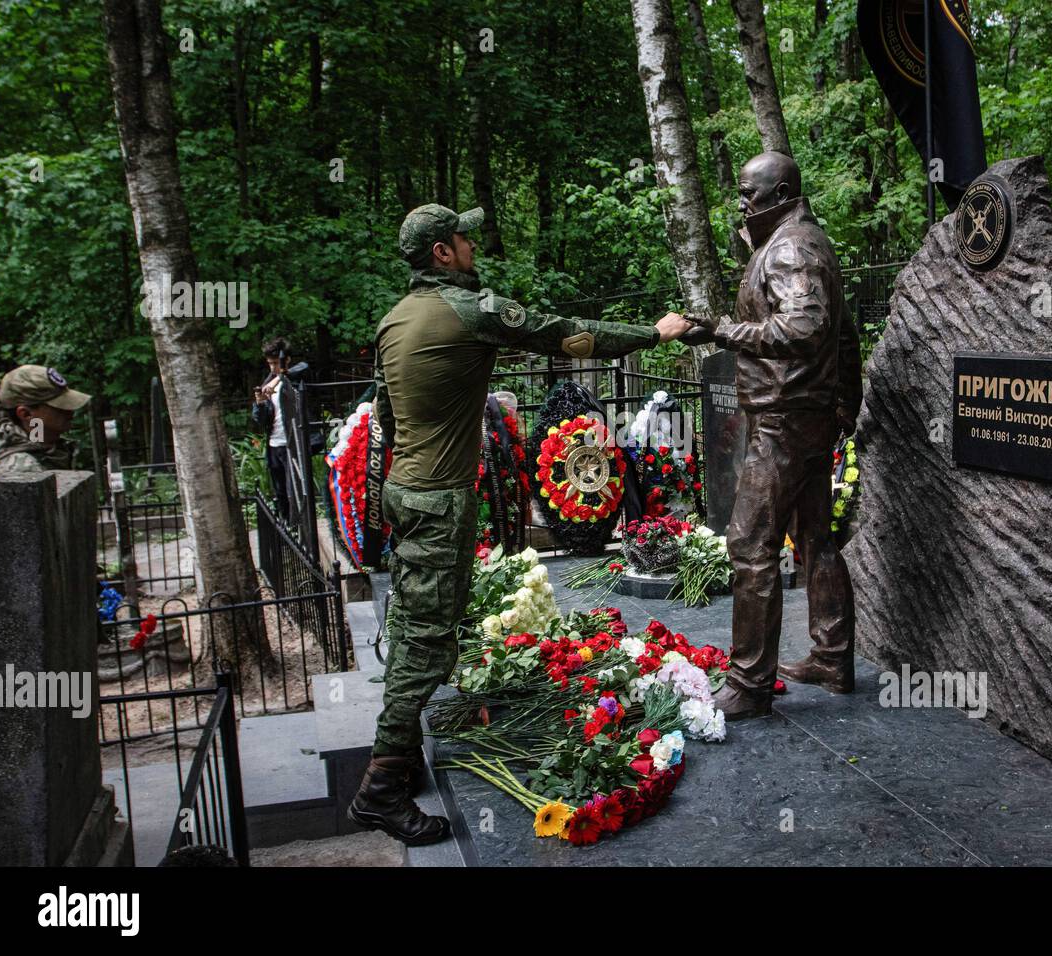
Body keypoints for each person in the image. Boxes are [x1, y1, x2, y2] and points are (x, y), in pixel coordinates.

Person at [348, 202, 692, 846]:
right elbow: (565, 333)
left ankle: (398, 759)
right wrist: (655, 331)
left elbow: (384, 422)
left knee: (421, 628)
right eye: (463, 238)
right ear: (442, 253)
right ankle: (380, 789)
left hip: (407, 493)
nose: (473, 245)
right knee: (426, 642)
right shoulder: (467, 311)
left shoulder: (394, 319)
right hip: (437, 500)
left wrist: (382, 511)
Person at [691, 151, 861, 721]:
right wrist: (844, 402)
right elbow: (847, 330)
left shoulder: (790, 247)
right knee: (814, 537)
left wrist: (723, 329)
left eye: (749, 194)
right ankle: (832, 658)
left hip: (785, 418)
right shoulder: (805, 241)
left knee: (749, 542)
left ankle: (748, 681)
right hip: (806, 413)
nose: (741, 203)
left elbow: (807, 326)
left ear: (782, 195)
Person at [0, 365, 91, 475]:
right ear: (26, 414)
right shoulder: (21, 472)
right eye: (60, 406)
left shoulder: (47, 445)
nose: (71, 410)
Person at [251, 337, 294, 519]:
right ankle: (287, 528)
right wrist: (260, 404)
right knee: (281, 491)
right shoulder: (267, 382)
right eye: (270, 363)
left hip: (292, 444)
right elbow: (259, 421)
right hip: (274, 445)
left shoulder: (295, 378)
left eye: (276, 363)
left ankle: (299, 529)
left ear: (286, 360)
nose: (272, 368)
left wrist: (279, 378)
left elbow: (304, 369)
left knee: (295, 491)